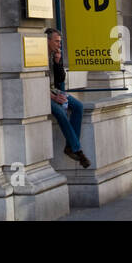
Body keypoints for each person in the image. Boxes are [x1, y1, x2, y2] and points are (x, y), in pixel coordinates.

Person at [46, 29, 90, 166]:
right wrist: (53, 98)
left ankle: (70, 146)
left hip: (54, 90)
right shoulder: (39, 55)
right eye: (56, 41)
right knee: (60, 111)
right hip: (43, 93)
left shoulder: (54, 55)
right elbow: (34, 82)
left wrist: (58, 63)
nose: (59, 45)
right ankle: (77, 150)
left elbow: (61, 79)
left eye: (60, 41)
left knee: (78, 106)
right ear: (47, 41)